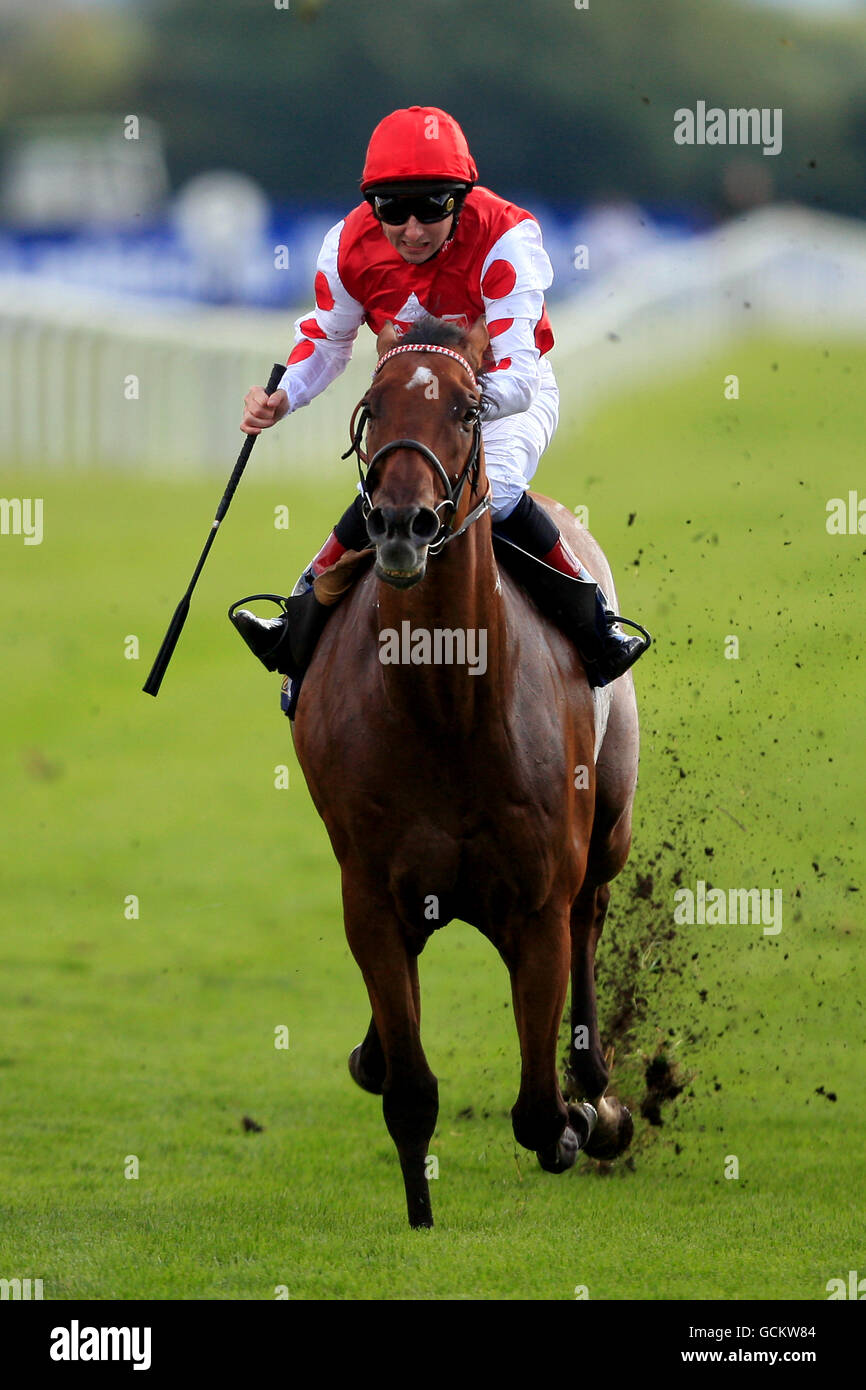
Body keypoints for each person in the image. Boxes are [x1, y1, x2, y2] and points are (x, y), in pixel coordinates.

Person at [232, 105, 648, 693]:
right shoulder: (347, 245)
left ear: (460, 198)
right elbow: (327, 339)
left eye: (432, 206)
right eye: (392, 209)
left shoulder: (506, 236)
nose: (412, 229)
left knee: (496, 491)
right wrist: (284, 397)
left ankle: (596, 623)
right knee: (389, 494)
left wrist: (452, 412)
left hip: (500, 399)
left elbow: (518, 374)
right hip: (412, 409)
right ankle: (297, 628)